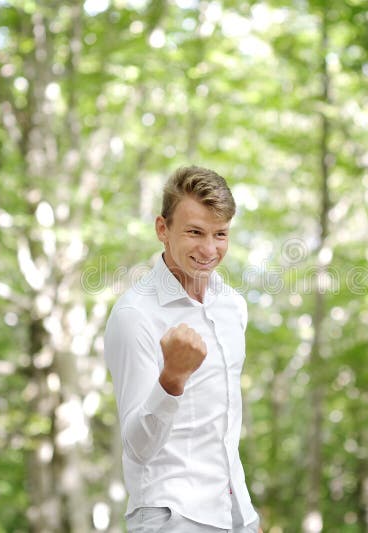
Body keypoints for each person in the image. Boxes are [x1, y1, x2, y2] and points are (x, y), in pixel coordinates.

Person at [104, 166, 262, 532]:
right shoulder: (134, 315)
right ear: (163, 229)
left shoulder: (233, 306)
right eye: (194, 232)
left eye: (220, 234)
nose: (209, 249)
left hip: (236, 514)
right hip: (171, 518)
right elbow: (137, 447)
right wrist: (172, 379)